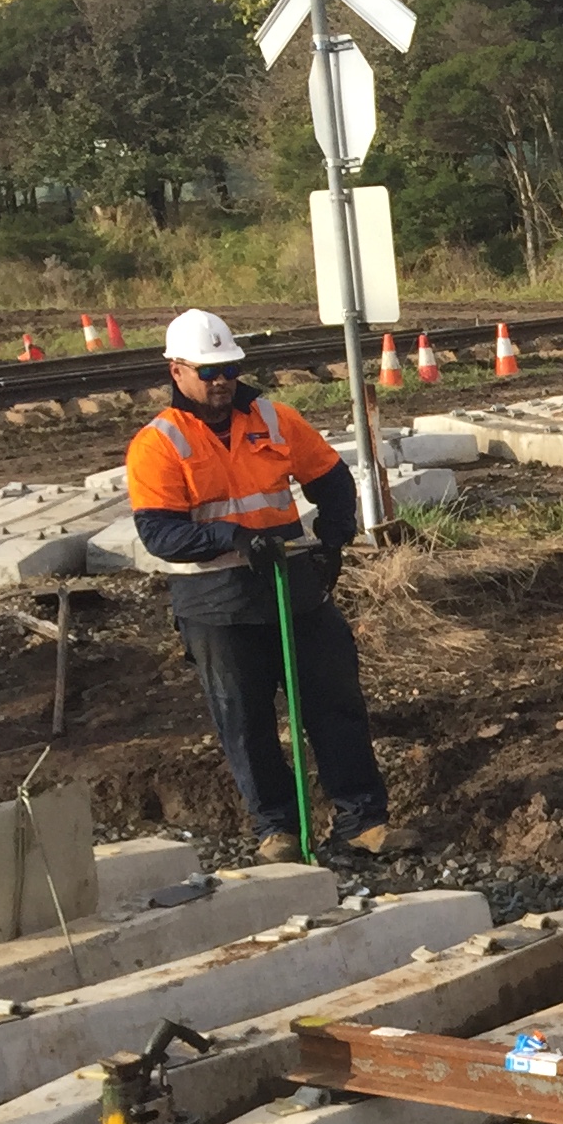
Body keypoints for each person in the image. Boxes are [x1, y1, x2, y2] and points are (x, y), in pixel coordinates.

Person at [125, 309, 406, 862]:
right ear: (177, 371)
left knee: (335, 702)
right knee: (246, 720)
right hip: (216, 602)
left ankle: (362, 822)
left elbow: (330, 477)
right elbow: (159, 533)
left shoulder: (274, 419)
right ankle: (277, 831)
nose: (221, 381)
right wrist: (230, 538)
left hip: (290, 584)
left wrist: (334, 534)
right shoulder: (158, 443)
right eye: (208, 372)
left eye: (229, 369)